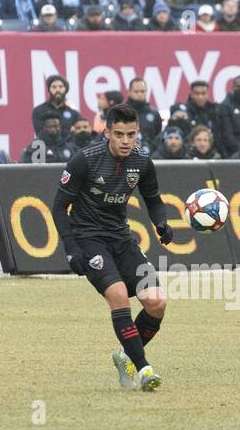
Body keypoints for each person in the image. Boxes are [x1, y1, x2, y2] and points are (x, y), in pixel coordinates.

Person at [51, 103, 174, 391]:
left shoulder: (142, 162)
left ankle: (125, 355)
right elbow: (59, 206)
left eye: (131, 134)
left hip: (121, 237)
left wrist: (161, 223)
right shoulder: (85, 160)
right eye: (119, 134)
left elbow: (153, 199)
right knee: (118, 295)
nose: (125, 141)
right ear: (106, 132)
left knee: (157, 302)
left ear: (138, 133)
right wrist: (71, 248)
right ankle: (143, 368)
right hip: (88, 238)